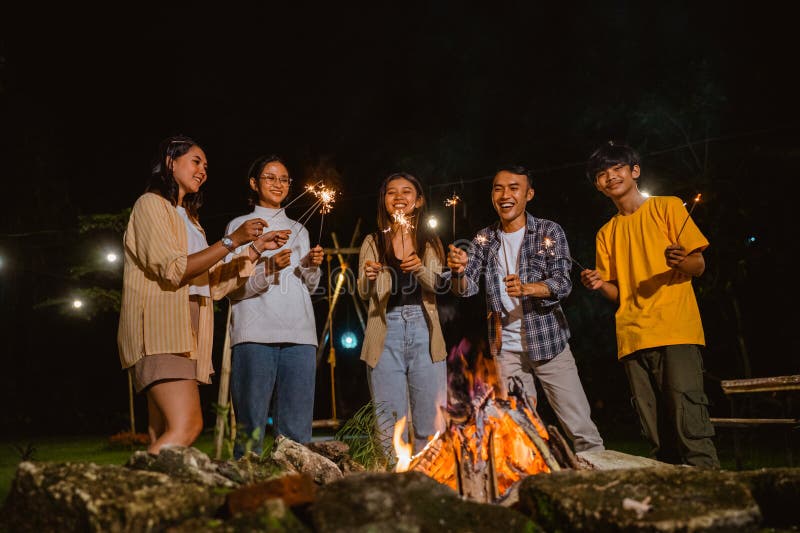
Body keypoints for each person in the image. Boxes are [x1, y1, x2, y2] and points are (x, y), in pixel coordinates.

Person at [117, 135, 289, 455]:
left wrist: (254, 249)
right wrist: (231, 241)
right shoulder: (151, 205)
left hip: (191, 328)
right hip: (161, 328)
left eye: (206, 166)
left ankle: (154, 499)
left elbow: (213, 284)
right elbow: (173, 269)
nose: (203, 171)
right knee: (188, 426)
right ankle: (121, 493)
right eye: (196, 161)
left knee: (162, 432)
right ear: (171, 162)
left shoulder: (192, 221)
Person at [446, 165, 605, 453]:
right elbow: (467, 288)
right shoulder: (485, 238)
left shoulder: (548, 230)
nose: (505, 195)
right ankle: (529, 488)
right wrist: (458, 271)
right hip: (505, 350)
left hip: (549, 345)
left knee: (580, 428)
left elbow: (562, 282)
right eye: (498, 188)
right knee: (520, 432)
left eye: (513, 188)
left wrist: (528, 288)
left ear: (529, 194)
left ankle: (600, 488)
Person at [580, 141, 719, 468]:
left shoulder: (668, 207)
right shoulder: (606, 233)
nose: (610, 177)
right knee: (656, 432)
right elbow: (619, 294)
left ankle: (715, 495)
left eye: (617, 169)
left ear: (635, 171)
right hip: (632, 337)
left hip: (675, 329)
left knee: (690, 423)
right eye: (602, 174)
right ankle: (670, 502)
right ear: (598, 185)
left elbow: (698, 265)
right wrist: (601, 285)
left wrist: (682, 261)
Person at [223, 155, 324, 457]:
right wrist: (268, 269)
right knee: (250, 427)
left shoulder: (300, 230)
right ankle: (247, 492)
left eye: (284, 179)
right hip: (254, 335)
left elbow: (312, 287)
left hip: (301, 336)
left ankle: (295, 493)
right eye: (270, 177)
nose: (278, 184)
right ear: (254, 183)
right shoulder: (240, 226)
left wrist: (309, 266)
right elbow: (233, 289)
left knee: (296, 432)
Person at [357, 172, 448, 459]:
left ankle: (431, 480)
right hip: (385, 331)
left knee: (430, 420)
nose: (399, 197)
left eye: (406, 191)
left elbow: (438, 285)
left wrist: (419, 268)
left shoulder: (430, 241)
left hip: (424, 329)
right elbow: (362, 290)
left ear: (418, 200)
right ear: (384, 201)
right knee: (389, 423)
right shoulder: (373, 241)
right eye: (391, 192)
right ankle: (394, 482)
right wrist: (370, 277)